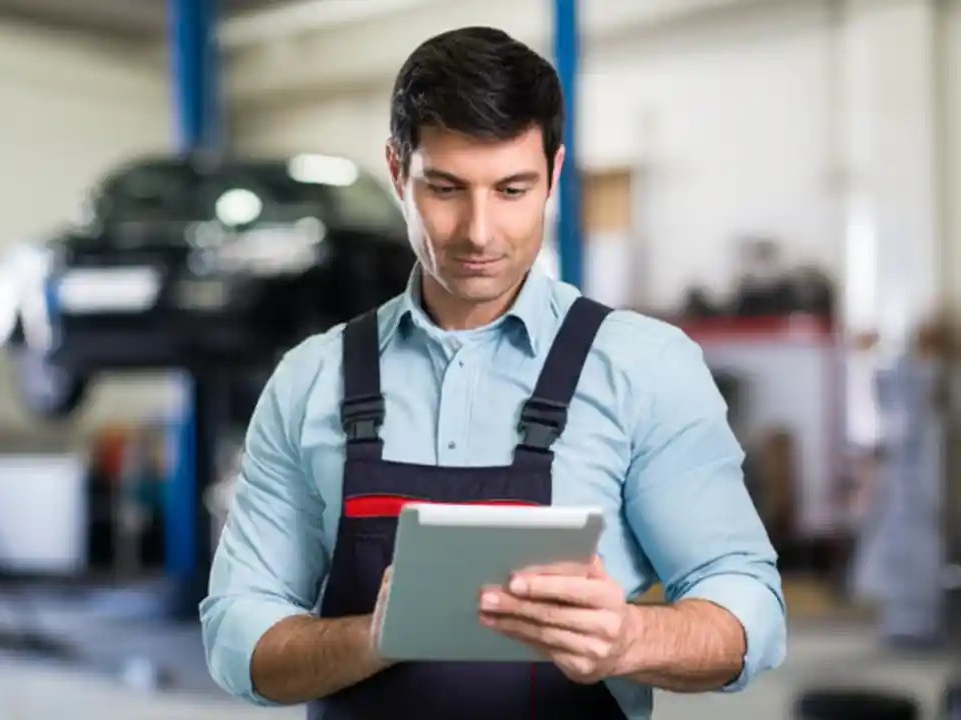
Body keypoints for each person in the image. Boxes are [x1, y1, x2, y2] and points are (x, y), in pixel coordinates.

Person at [200, 26, 786, 719]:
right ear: (397, 172)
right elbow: (238, 638)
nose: (479, 232)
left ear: (554, 175)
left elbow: (748, 607)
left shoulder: (644, 369)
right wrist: (374, 639)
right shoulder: (311, 381)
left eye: (512, 189)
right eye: (445, 188)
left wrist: (630, 637)